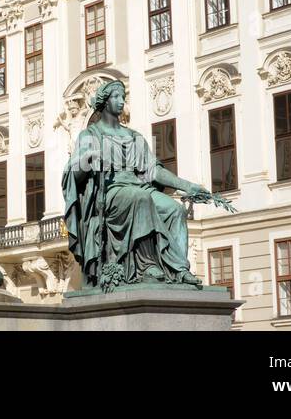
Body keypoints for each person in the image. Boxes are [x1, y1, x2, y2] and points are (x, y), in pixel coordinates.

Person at [61, 80, 234, 291]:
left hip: (139, 187)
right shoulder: (90, 136)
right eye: (116, 97)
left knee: (174, 209)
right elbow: (73, 175)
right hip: (112, 191)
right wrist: (89, 159)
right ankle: (148, 266)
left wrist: (186, 185)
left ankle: (179, 269)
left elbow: (154, 171)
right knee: (140, 199)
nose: (121, 101)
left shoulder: (134, 137)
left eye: (123, 97)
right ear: (105, 102)